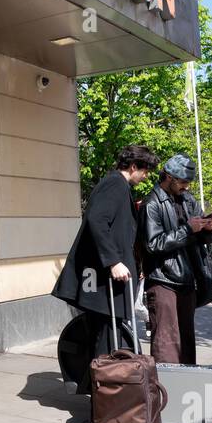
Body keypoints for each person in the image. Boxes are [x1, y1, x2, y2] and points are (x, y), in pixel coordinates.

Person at [53, 145, 157, 384]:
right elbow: (96, 220)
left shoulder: (120, 186)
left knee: (108, 336)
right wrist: (113, 262)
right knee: (105, 339)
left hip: (110, 280)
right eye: (145, 171)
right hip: (104, 282)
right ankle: (103, 398)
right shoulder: (114, 184)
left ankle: (103, 395)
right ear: (133, 167)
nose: (146, 176)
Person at [141, 154, 212, 364]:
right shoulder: (151, 204)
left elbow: (198, 237)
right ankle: (167, 390)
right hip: (163, 279)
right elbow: (152, 244)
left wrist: (207, 229)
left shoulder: (188, 200)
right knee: (166, 341)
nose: (187, 187)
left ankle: (187, 383)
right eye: (183, 182)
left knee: (186, 338)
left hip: (187, 278)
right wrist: (187, 229)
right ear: (169, 177)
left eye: (189, 183)